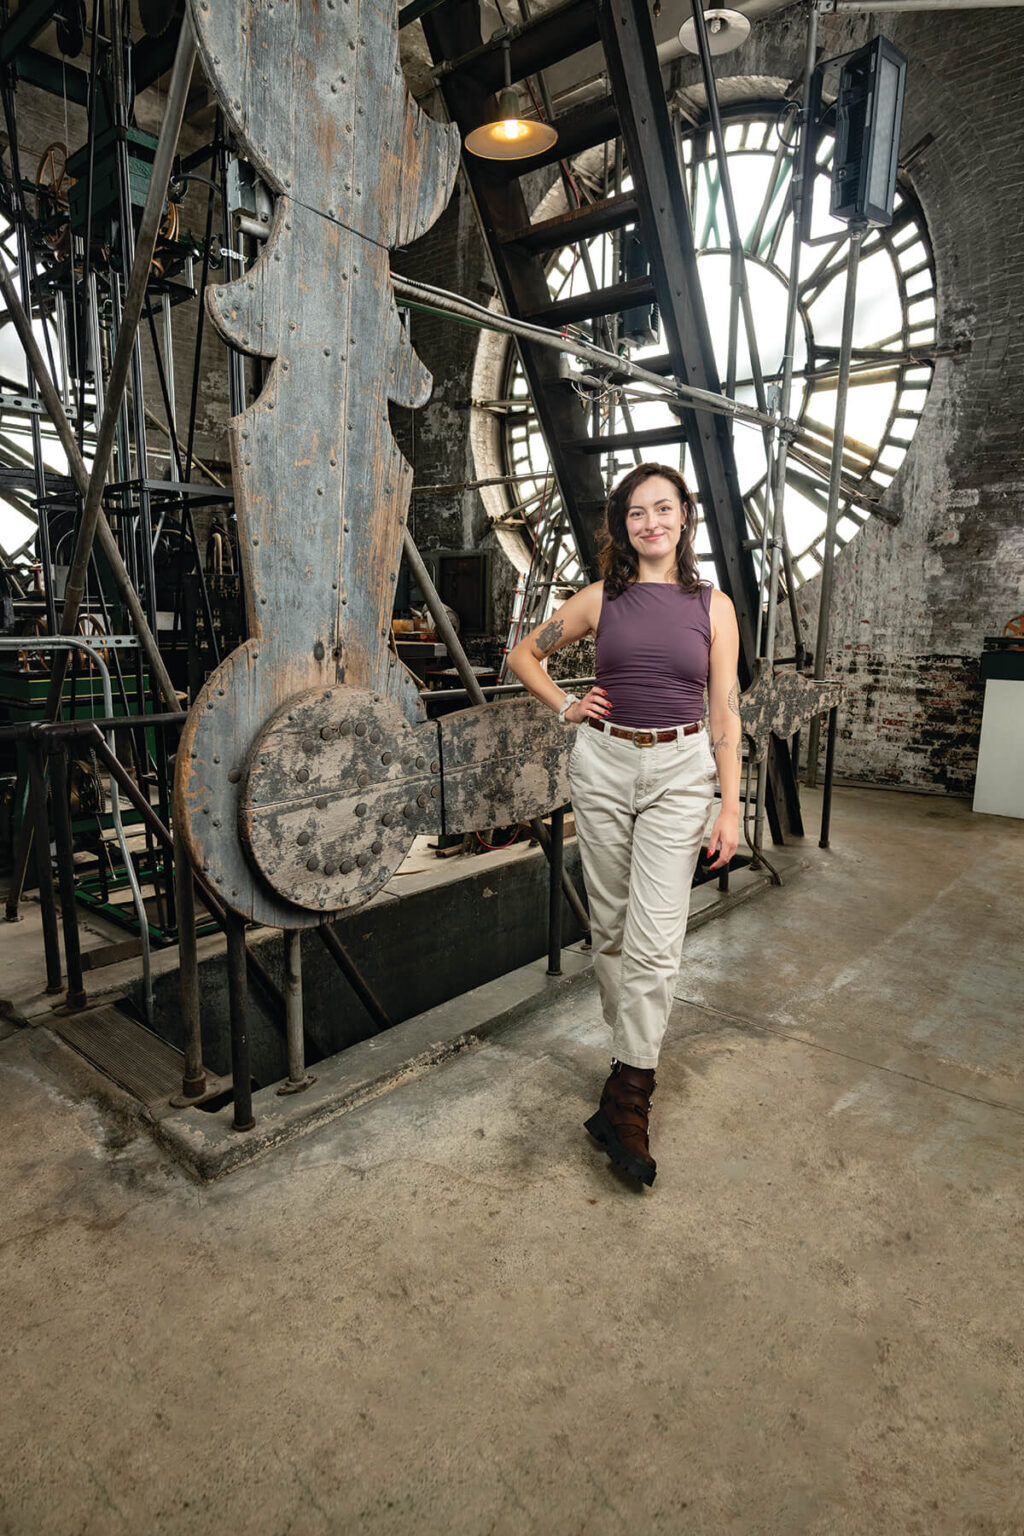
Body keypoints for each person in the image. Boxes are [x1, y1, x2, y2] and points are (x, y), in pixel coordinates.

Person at [507, 462, 741, 1188]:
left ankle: (632, 1092)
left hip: (680, 771)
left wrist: (730, 804)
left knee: (658, 934)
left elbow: (724, 707)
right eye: (637, 513)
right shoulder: (600, 600)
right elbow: (523, 654)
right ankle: (626, 1068)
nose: (651, 523)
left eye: (663, 509)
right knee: (607, 926)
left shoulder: (713, 604)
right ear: (623, 526)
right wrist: (567, 705)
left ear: (683, 517)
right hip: (604, 767)